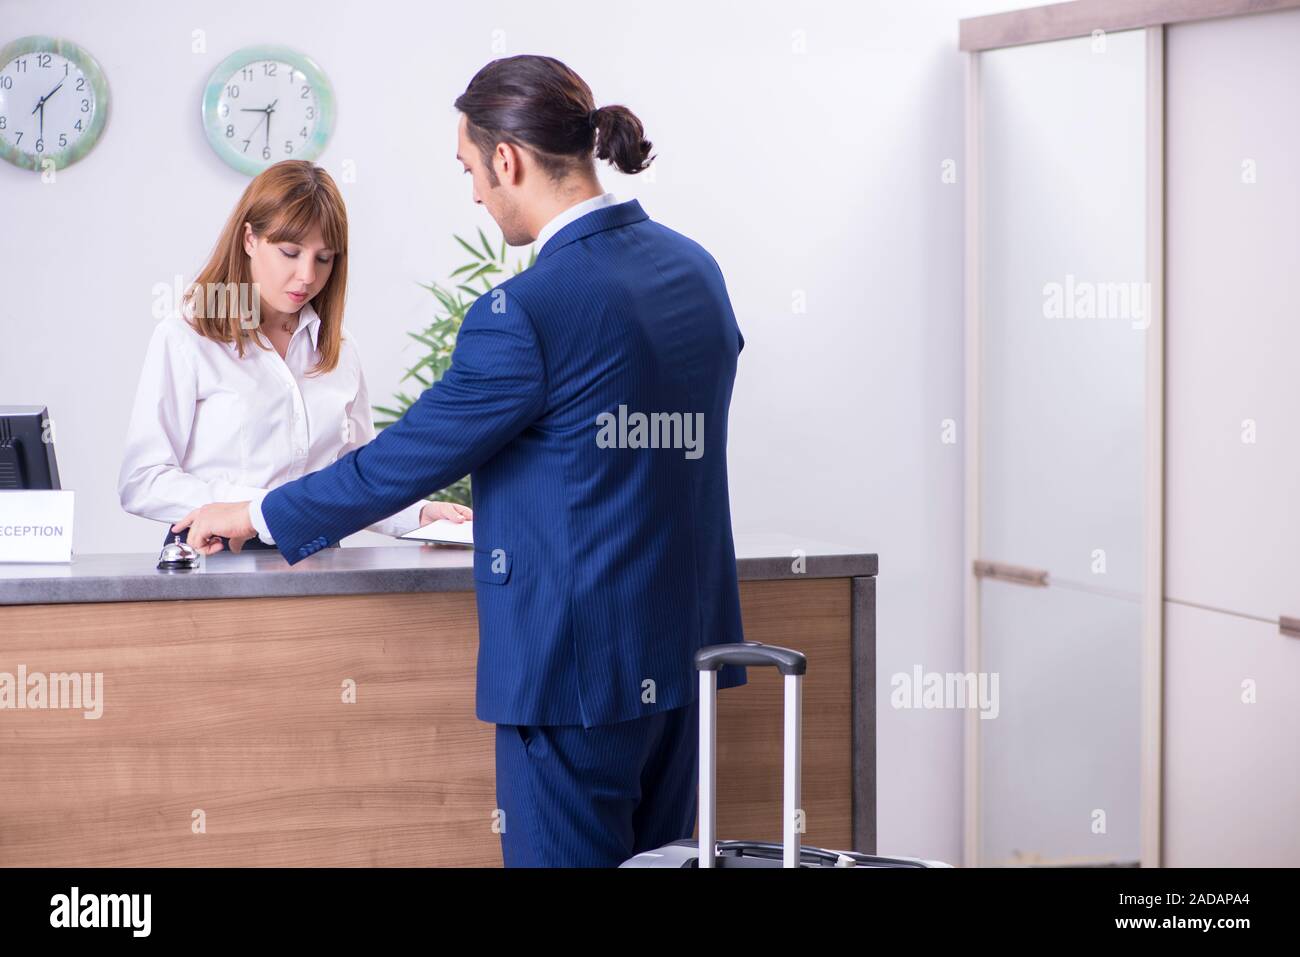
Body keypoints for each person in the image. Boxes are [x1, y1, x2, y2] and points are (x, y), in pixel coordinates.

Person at [172, 55, 748, 866]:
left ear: (506, 160)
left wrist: (259, 511)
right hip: (682, 666)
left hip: (571, 678)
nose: (474, 192)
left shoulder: (527, 312)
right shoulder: (696, 270)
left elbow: (400, 460)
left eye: (470, 169)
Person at [118, 160, 470, 551]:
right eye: (290, 252)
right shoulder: (187, 336)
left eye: (324, 258)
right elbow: (142, 481)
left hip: (315, 558)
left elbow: (355, 478)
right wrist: (259, 511)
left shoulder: (339, 348)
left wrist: (418, 515)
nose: (307, 276)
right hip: (213, 556)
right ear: (249, 239)